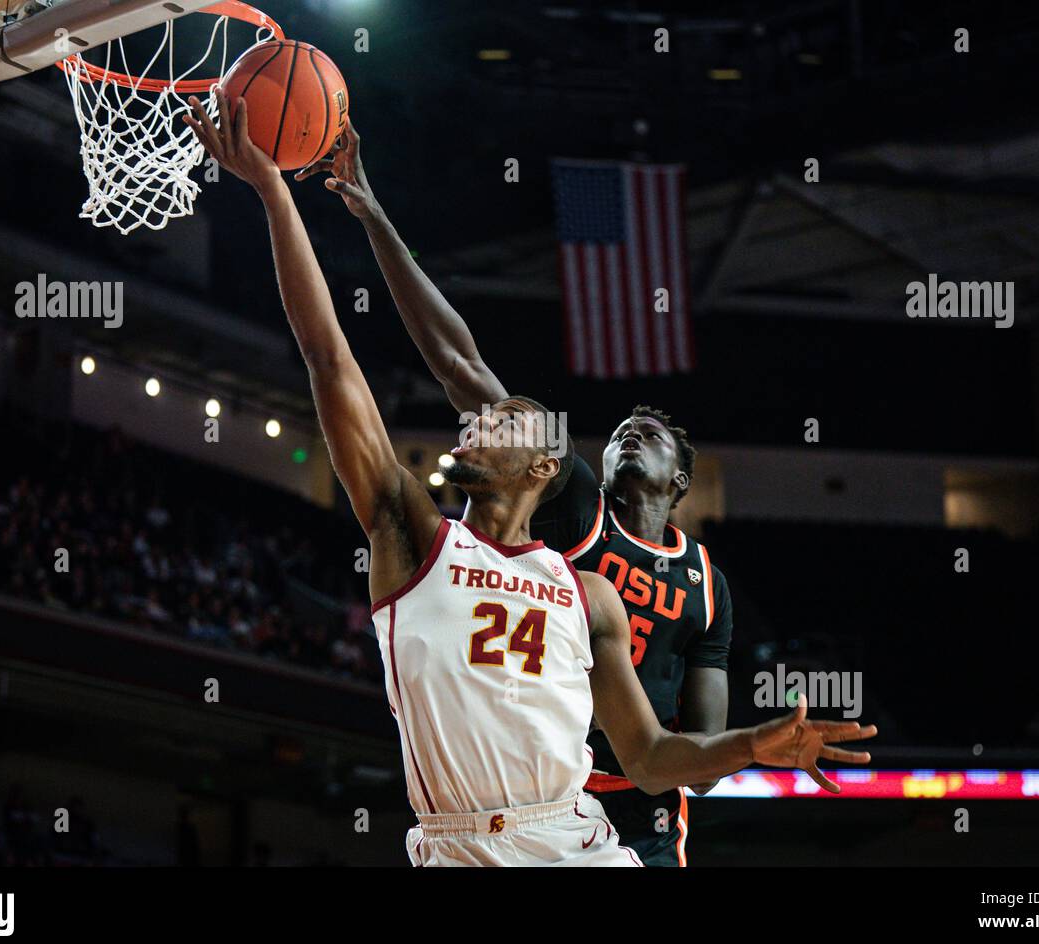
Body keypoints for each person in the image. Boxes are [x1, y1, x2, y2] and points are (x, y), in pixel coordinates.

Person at [186, 95, 877, 867]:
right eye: (487, 415)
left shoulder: (614, 592)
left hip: (589, 832)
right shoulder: (421, 536)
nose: (482, 416)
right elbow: (341, 359)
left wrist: (757, 742)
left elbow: (652, 755)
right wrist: (281, 195)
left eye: (511, 418)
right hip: (463, 845)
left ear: (545, 463)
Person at [295, 120, 734, 865]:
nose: (630, 433)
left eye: (651, 434)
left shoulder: (708, 586)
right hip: (535, 784)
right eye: (622, 428)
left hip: (641, 803)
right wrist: (377, 219)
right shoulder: (574, 501)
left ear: (683, 481)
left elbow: (703, 746)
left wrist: (748, 749)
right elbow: (457, 360)